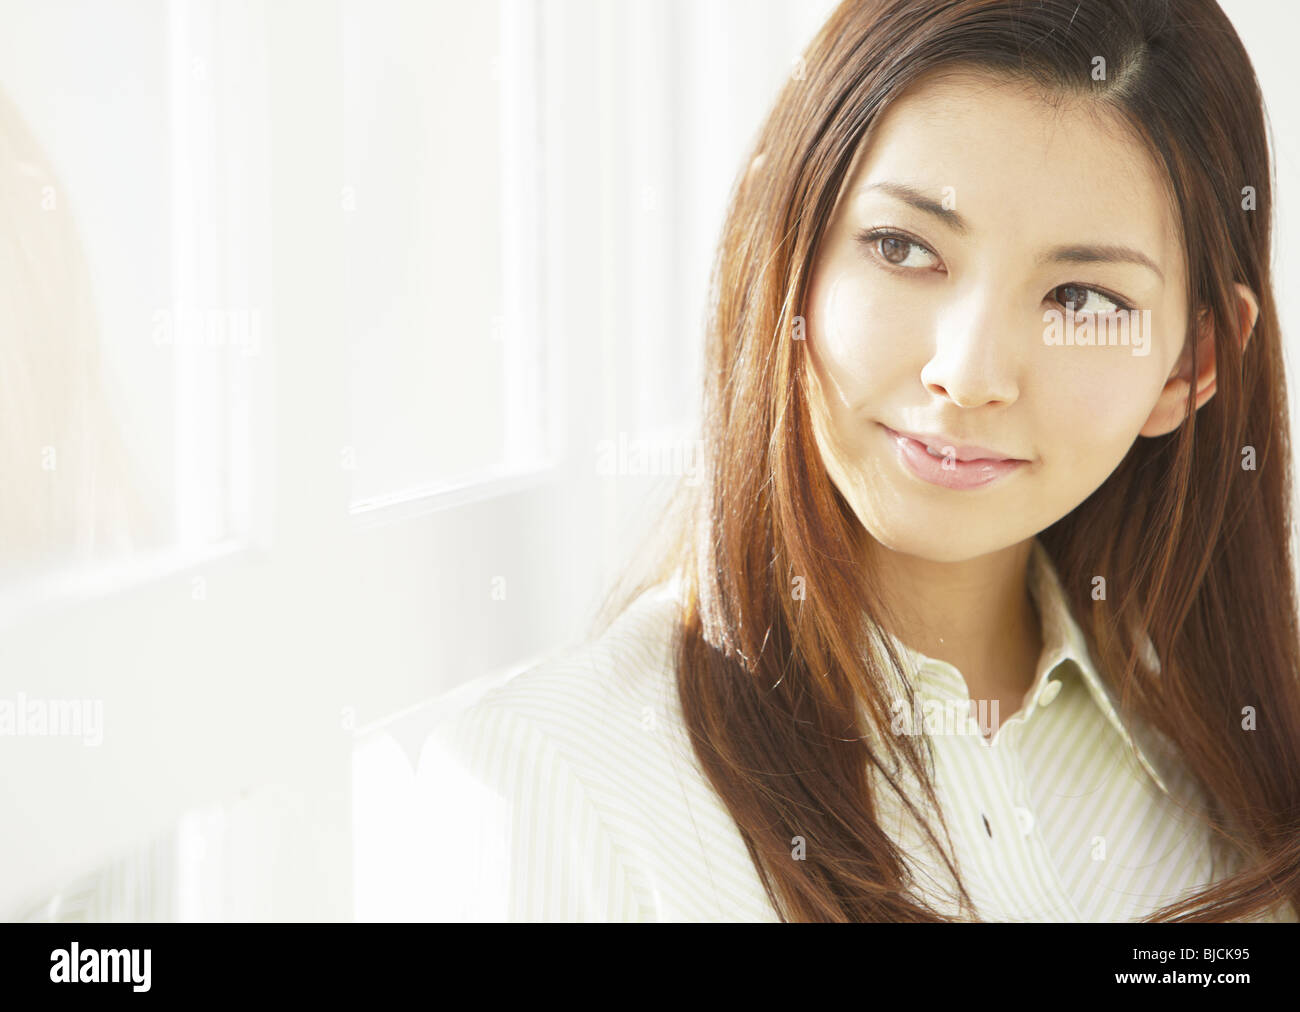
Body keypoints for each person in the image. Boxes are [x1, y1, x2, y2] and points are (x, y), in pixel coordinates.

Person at [418, 0, 1300, 922]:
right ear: (787, 258)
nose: (968, 374)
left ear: (1191, 363)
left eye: (1080, 296)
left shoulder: (1242, 790)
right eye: (902, 247)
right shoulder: (561, 783)